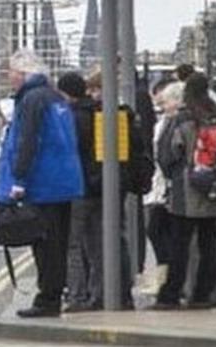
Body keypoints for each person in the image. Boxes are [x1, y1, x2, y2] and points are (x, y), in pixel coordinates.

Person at [0, 52, 84, 319]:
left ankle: (47, 299)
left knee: (44, 245)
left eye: (10, 72)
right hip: (65, 181)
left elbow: (27, 141)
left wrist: (18, 180)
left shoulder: (31, 100)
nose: (8, 77)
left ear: (23, 73)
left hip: (43, 183)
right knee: (57, 243)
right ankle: (51, 295)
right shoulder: (55, 97)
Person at [58, 71, 132, 312]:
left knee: (75, 245)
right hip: (104, 186)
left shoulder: (73, 118)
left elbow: (70, 152)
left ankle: (78, 296)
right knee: (102, 244)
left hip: (80, 188)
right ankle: (103, 294)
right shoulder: (103, 113)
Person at [153, 73, 216, 310]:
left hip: (185, 188)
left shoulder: (183, 119)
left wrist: (173, 174)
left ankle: (170, 294)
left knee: (179, 244)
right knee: (208, 243)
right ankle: (204, 293)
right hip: (212, 186)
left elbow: (167, 153)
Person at [141, 81, 184, 295]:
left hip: (168, 187)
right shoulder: (164, 123)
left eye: (165, 101)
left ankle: (168, 280)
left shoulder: (177, 124)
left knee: (158, 230)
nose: (161, 105)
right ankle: (163, 277)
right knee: (157, 230)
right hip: (159, 186)